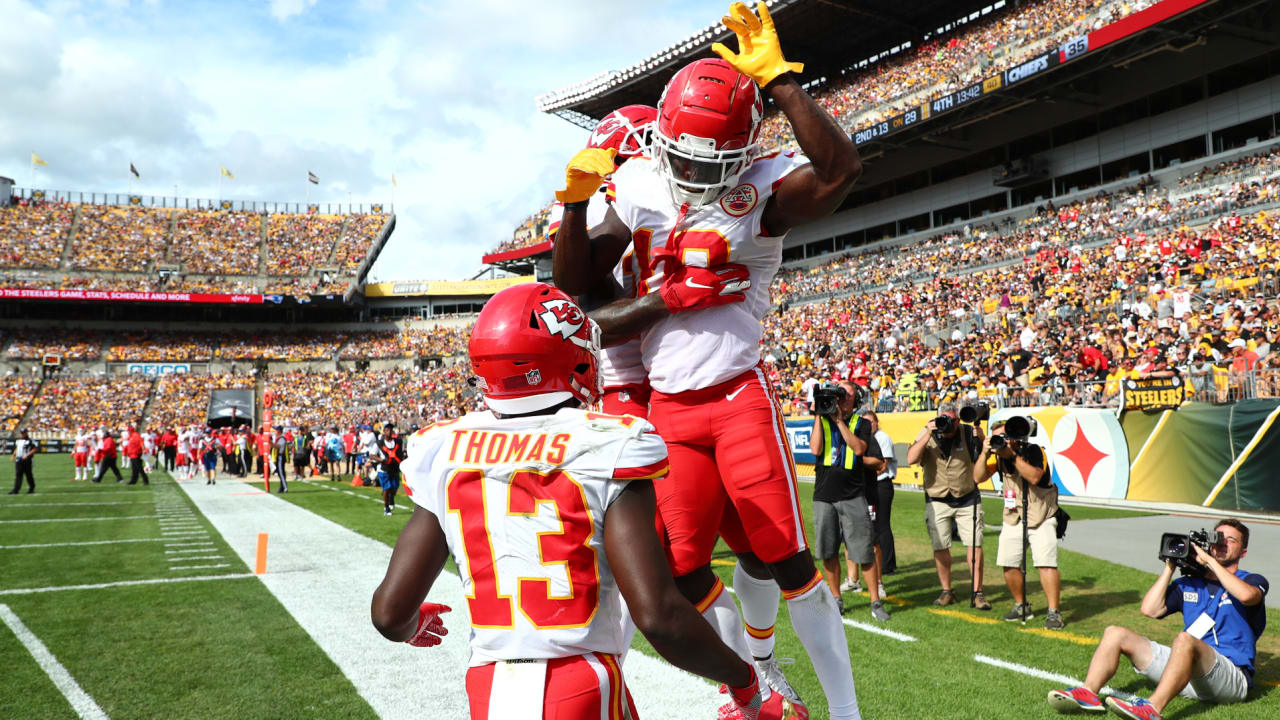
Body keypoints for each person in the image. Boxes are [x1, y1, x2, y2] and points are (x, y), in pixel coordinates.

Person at [551, 5, 865, 717]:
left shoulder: (762, 185)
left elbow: (841, 166)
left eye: (710, 162)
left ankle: (846, 713)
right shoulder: (638, 185)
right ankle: (754, 680)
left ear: (744, 152)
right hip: (666, 406)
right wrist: (573, 206)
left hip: (735, 395)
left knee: (787, 559)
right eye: (682, 157)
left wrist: (783, 83)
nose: (692, 172)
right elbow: (577, 293)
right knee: (683, 569)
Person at [371, 283, 765, 720]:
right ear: (570, 357)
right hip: (581, 682)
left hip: (488, 689)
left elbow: (390, 614)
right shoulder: (610, 441)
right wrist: (746, 680)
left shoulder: (444, 447)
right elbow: (658, 616)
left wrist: (413, 623)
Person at [1048, 519, 1267, 719]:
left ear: (1243, 551)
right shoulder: (1189, 584)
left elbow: (1248, 596)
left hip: (1232, 678)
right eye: (1218, 537)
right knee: (1115, 633)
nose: (1222, 543)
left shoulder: (1251, 580)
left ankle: (1152, 708)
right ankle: (1088, 692)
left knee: (1184, 639)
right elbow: (1150, 610)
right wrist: (1170, 566)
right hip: (1189, 674)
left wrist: (1209, 562)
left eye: (1231, 540)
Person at [810, 382, 889, 622]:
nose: (841, 399)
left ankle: (875, 601)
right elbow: (815, 449)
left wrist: (839, 421)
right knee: (828, 550)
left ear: (855, 400)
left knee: (864, 550)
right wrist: (818, 415)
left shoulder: (861, 423)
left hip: (853, 495)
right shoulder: (821, 421)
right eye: (838, 395)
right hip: (824, 495)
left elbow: (858, 449)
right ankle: (836, 598)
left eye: (847, 396)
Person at [975, 419, 1062, 629]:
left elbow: (1034, 477)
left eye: (1004, 437)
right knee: (1009, 562)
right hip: (1013, 515)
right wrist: (985, 453)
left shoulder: (1034, 451)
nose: (1001, 441)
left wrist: (1011, 455)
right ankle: (1022, 604)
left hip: (1041, 515)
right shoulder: (997, 457)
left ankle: (1053, 612)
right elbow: (977, 477)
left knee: (1045, 563)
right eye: (997, 437)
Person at [906, 401, 991, 610]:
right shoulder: (927, 433)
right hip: (937, 497)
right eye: (942, 419)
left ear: (957, 419)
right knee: (940, 546)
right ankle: (946, 590)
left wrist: (980, 435)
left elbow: (987, 453)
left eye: (950, 421)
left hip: (967, 495)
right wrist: (928, 432)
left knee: (974, 544)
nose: (946, 425)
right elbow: (911, 458)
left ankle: (977, 593)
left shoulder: (969, 432)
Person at [864, 411, 897, 579]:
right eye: (866, 422)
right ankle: (885, 564)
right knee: (876, 525)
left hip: (881, 484)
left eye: (871, 421)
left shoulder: (882, 437)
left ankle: (887, 565)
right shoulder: (868, 438)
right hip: (874, 484)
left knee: (882, 525)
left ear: (877, 422)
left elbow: (883, 465)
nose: (869, 425)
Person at [374, 423, 403, 516]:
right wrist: (381, 460)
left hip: (395, 468)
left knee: (394, 488)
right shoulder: (379, 443)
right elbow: (372, 455)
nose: (389, 432)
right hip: (384, 469)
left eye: (390, 430)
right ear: (384, 432)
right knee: (387, 488)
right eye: (387, 430)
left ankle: (391, 498)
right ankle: (386, 507)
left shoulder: (398, 442)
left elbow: (401, 453)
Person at [10, 429, 38, 494]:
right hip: (19, 460)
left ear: (26, 433)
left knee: (28, 475)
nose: (22, 434)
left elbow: (35, 449)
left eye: (23, 433)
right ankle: (16, 490)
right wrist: (13, 456)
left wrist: (27, 455)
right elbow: (17, 448)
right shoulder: (18, 441)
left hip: (27, 460)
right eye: (21, 433)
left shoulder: (30, 440)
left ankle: (32, 488)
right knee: (18, 475)